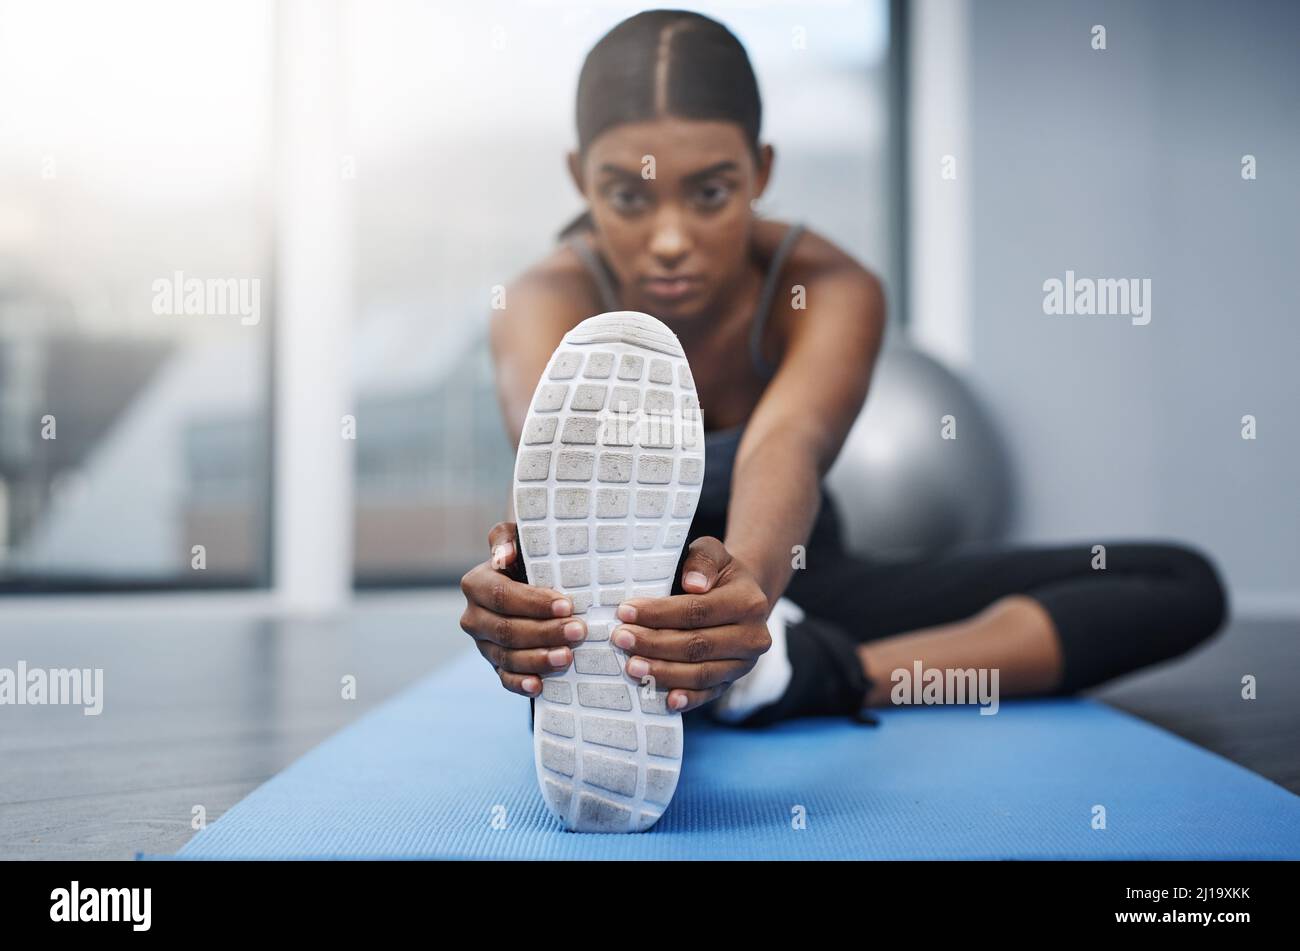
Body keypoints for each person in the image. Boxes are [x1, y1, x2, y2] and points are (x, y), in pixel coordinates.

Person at [458, 9, 1227, 728]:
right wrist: (526, 579)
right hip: (625, 606)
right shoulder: (547, 298)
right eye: (627, 196)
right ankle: (721, 672)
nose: (668, 238)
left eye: (712, 192)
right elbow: (562, 461)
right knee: (608, 628)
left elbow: (785, 440)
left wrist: (748, 597)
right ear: (579, 177)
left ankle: (813, 672)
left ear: (760, 172)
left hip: (800, 585)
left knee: (1178, 582)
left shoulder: (827, 286)